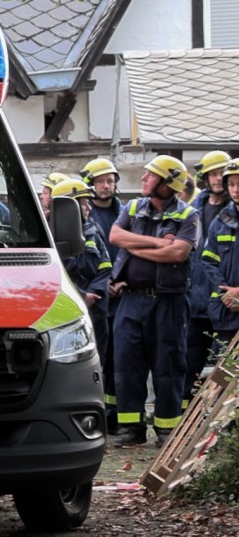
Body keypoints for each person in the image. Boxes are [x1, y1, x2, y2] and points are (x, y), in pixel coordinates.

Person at [109, 155, 200, 448]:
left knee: (168, 365)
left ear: (165, 184)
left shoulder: (189, 216)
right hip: (131, 299)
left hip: (169, 303)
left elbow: (178, 255)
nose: (144, 179)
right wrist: (160, 243)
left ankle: (166, 429)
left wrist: (136, 247)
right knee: (127, 364)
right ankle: (131, 429)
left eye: (150, 176)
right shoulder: (133, 207)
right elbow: (115, 235)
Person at [80, 156, 126, 432]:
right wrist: (103, 283)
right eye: (101, 181)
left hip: (123, 292)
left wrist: (121, 280)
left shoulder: (124, 212)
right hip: (97, 296)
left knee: (118, 358)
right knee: (99, 356)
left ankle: (115, 413)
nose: (106, 186)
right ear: (90, 184)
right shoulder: (84, 215)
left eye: (110, 181)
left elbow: (129, 251)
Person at [51, 179, 112, 370]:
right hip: (67, 309)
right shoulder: (50, 235)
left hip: (96, 307)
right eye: (83, 203)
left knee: (98, 362)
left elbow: (106, 265)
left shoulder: (93, 231)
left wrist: (93, 293)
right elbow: (54, 272)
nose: (89, 208)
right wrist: (81, 295)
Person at [185, 150, 231, 405]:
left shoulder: (232, 212)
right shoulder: (194, 209)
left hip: (226, 302)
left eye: (222, 174)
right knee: (190, 361)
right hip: (196, 302)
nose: (218, 179)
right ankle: (187, 413)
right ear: (204, 177)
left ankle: (219, 415)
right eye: (213, 174)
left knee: (225, 365)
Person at [202, 160, 239, 352]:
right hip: (226, 314)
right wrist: (227, 293)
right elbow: (208, 260)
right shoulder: (221, 221)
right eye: (231, 184)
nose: (236, 190)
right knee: (226, 378)